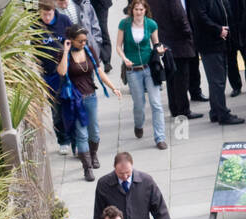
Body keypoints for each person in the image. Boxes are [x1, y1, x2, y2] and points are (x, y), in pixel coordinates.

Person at [56, 24, 121, 181]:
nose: (84, 43)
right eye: (80, 41)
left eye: (85, 40)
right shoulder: (64, 54)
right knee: (81, 134)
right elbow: (62, 72)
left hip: (91, 97)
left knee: (95, 132)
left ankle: (93, 155)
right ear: (71, 40)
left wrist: (113, 88)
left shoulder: (89, 51)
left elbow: (99, 71)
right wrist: (65, 51)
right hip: (74, 100)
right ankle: (87, 168)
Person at [92, 152, 173, 219]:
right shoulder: (104, 184)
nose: (125, 177)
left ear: (132, 166)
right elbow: (98, 217)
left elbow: (160, 211)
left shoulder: (146, 181)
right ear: (114, 168)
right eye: (121, 174)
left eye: (128, 173)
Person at [117, 0, 168, 148]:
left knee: (156, 104)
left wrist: (159, 50)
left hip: (149, 68)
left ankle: (160, 138)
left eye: (141, 9)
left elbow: (156, 43)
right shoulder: (124, 24)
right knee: (139, 104)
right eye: (136, 9)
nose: (139, 12)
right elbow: (118, 46)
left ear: (145, 10)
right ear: (131, 10)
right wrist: (124, 58)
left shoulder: (151, 24)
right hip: (133, 70)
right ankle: (138, 125)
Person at [189, 0, 245, 126]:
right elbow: (200, 17)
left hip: (219, 42)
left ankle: (215, 111)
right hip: (210, 44)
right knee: (217, 81)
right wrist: (218, 29)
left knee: (216, 81)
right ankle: (223, 114)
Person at [149, 0, 204, 120]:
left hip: (165, 40)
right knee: (181, 79)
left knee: (171, 78)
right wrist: (189, 32)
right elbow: (179, 17)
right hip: (179, 43)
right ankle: (183, 110)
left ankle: (174, 108)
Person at [35, 2, 70, 155]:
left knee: (71, 103)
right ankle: (63, 140)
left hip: (67, 72)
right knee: (56, 108)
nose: (47, 18)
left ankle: (75, 136)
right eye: (44, 14)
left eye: (49, 14)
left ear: (54, 11)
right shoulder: (35, 26)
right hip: (49, 75)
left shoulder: (64, 20)